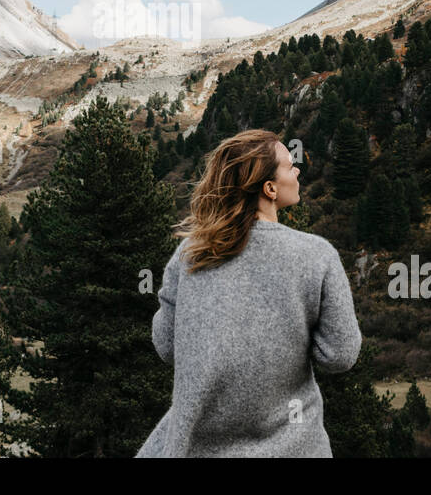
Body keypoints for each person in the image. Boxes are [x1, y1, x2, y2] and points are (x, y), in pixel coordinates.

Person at [135, 128, 362, 457]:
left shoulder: (189, 255)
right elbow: (340, 356)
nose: (297, 169)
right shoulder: (316, 255)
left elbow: (167, 347)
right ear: (270, 188)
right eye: (288, 165)